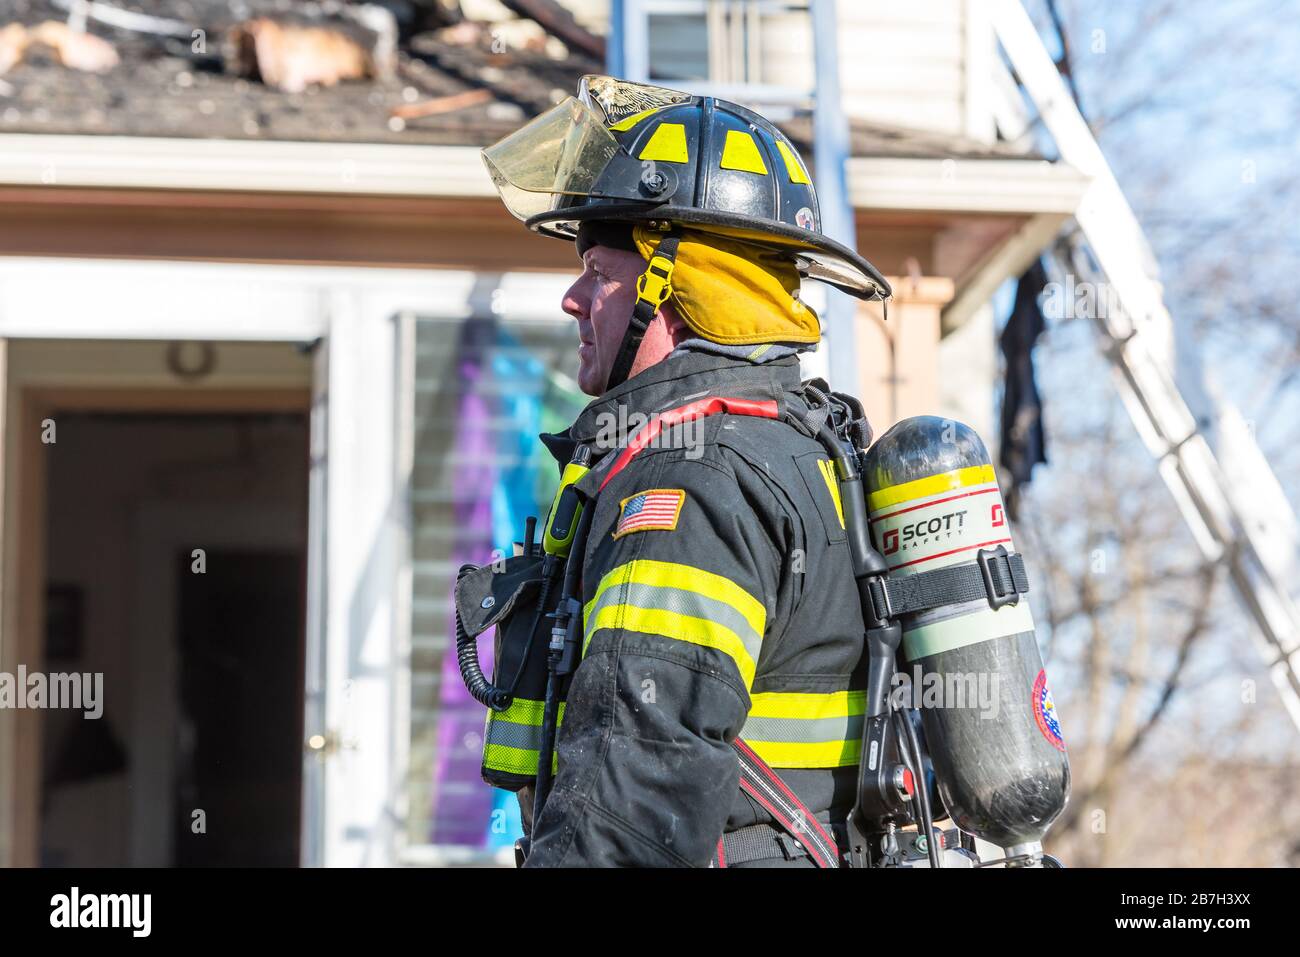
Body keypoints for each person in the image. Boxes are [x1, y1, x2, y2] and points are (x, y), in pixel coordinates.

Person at [479, 75, 892, 867]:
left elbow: (632, 796)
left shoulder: (687, 483)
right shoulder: (794, 446)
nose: (573, 297)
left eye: (600, 270)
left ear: (679, 284)